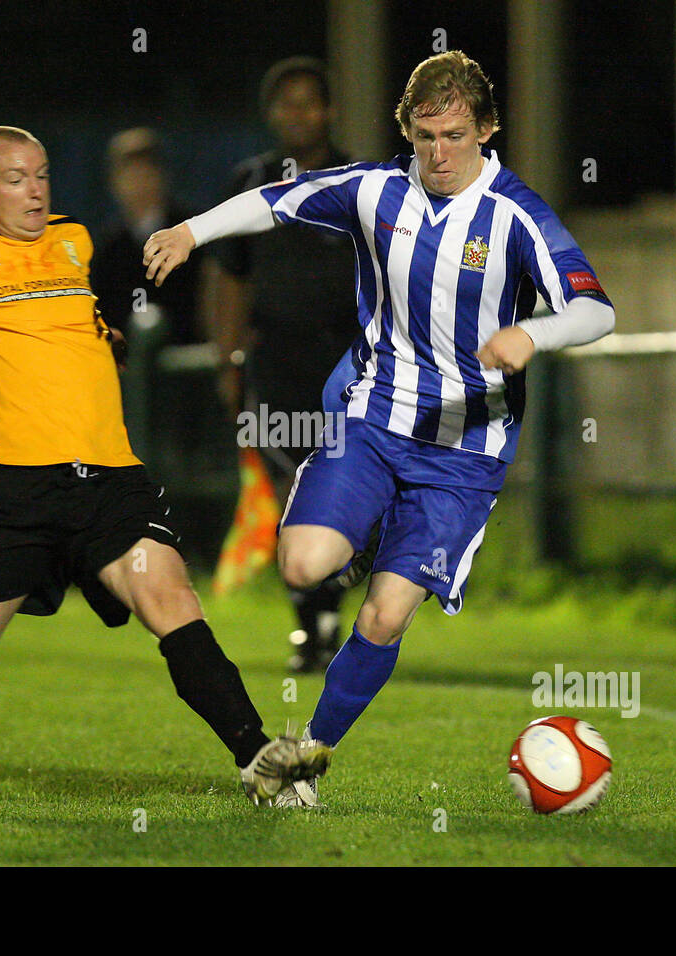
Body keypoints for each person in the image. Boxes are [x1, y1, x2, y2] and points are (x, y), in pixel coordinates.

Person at [145, 51, 615, 804]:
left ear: (487, 130)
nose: (439, 153)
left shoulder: (518, 215)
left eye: (455, 135)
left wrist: (535, 335)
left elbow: (597, 308)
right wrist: (191, 232)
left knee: (387, 613)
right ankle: (364, 529)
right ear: (407, 130)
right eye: (425, 135)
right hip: (373, 419)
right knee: (301, 565)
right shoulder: (375, 191)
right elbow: (276, 199)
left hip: (465, 453)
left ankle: (308, 753)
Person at [0, 123, 331, 808]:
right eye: (15, 178)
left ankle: (257, 756)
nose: (35, 190)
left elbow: (62, 325)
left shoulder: (72, 240)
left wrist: (101, 340)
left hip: (107, 478)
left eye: (42, 174)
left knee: (172, 600)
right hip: (10, 490)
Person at [204, 57, 362, 673]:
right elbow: (231, 277)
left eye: (309, 102)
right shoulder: (254, 183)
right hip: (276, 365)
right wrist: (227, 361)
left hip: (351, 364)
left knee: (352, 491)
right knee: (291, 491)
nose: (298, 114)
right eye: (285, 103)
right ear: (272, 114)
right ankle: (312, 619)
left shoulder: (361, 183)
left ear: (329, 111)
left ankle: (331, 595)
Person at [92, 127, 204, 345]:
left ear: (161, 176)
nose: (138, 185)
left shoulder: (193, 233)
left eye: (145, 173)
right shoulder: (108, 248)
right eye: (129, 175)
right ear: (114, 182)